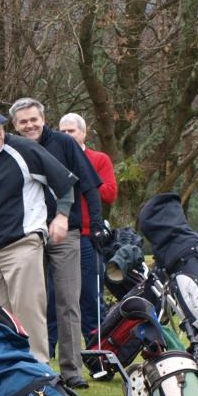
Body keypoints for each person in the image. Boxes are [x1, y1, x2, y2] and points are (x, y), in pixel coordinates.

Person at [0, 103, 77, 365]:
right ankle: (3, 369)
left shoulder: (23, 149)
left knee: (28, 312)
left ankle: (38, 371)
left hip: (22, 242)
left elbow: (64, 182)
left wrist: (61, 216)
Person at [8, 98, 103, 387]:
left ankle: (72, 371)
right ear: (14, 125)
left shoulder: (65, 143)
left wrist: (96, 225)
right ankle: (34, 368)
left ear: (43, 117)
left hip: (66, 232)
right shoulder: (10, 148)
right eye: (23, 121)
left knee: (68, 300)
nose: (29, 125)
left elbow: (88, 185)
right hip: (26, 236)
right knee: (30, 304)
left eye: (33, 119)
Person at [58, 112, 119, 337]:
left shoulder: (99, 159)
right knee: (55, 297)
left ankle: (98, 357)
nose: (66, 135)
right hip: (58, 235)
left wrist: (85, 180)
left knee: (90, 297)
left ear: (83, 133)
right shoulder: (52, 158)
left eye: (71, 131)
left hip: (86, 236)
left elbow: (110, 194)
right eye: (62, 131)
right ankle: (47, 360)